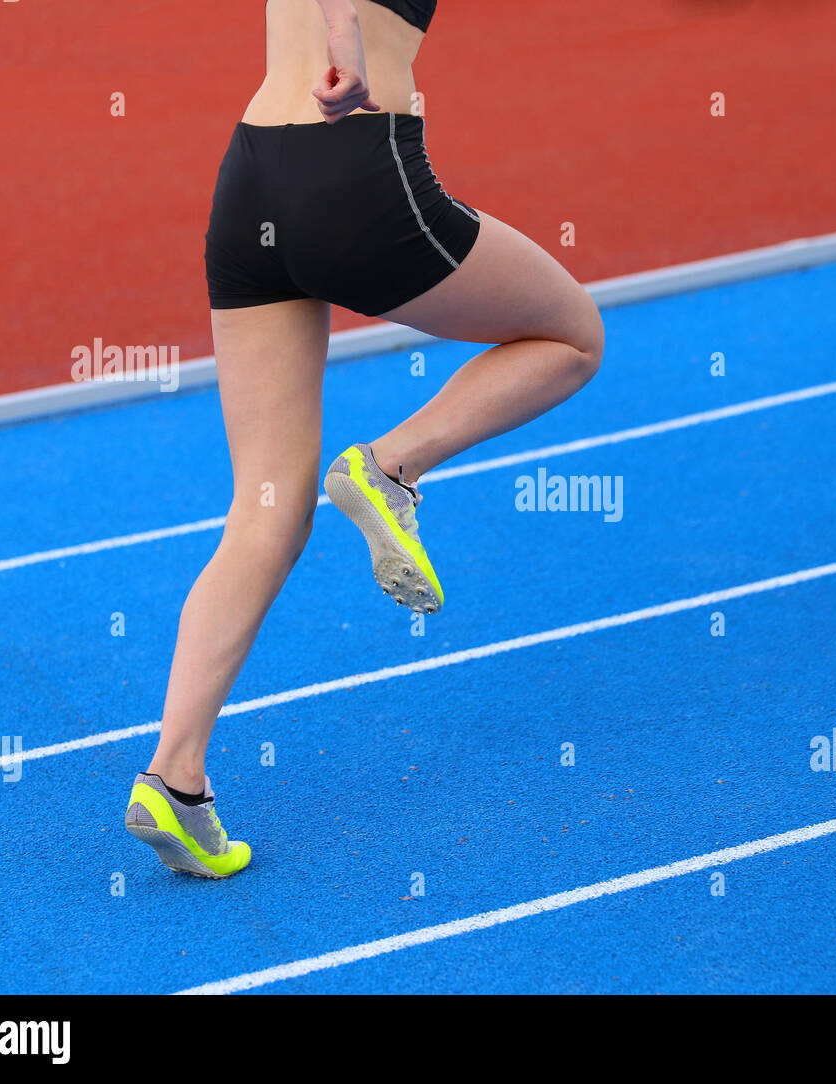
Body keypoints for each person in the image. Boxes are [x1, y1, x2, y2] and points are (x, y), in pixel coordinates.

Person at [125, 0, 604, 878]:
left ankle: (175, 778)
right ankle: (388, 467)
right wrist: (347, 50)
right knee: (572, 338)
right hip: (354, 152)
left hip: (253, 175)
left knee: (265, 509)